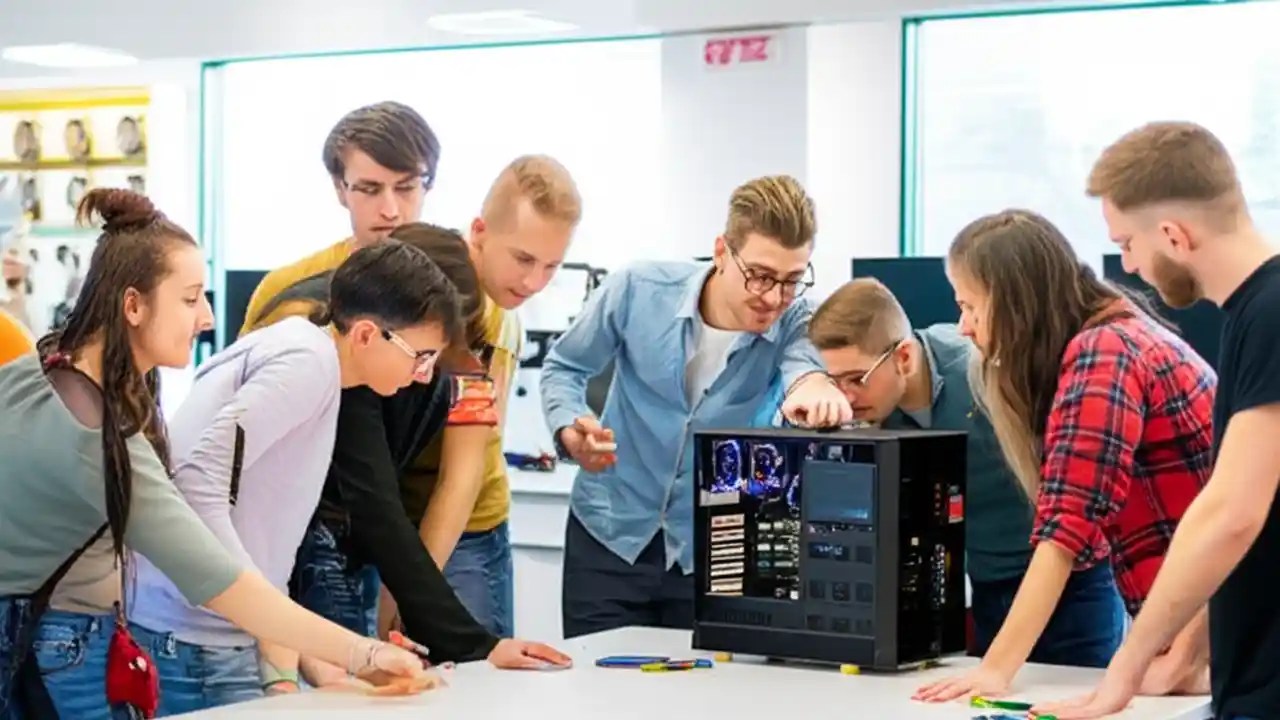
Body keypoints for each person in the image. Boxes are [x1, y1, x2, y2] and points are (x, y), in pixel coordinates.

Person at [0, 189, 431, 720]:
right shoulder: (103, 438)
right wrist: (362, 651)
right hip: (61, 643)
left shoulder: (47, 362)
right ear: (133, 305)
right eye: (189, 298)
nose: (205, 316)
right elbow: (224, 583)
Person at [126, 240, 461, 715]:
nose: (424, 376)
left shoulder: (303, 353)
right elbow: (197, 478)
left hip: (206, 632)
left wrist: (320, 662)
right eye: (420, 355)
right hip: (196, 639)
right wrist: (350, 649)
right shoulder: (308, 363)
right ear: (366, 334)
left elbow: (257, 540)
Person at [913, 208, 1215, 705]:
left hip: (1229, 618)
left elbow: (1067, 528)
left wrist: (995, 668)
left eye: (971, 306)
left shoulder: (1104, 353)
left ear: (1014, 304)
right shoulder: (1120, 330)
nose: (963, 327)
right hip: (1206, 619)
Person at [1035, 123, 1280, 720]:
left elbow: (1231, 514)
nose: (1129, 265)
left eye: (1128, 244)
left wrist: (1127, 666)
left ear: (1173, 234)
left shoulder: (1272, 315)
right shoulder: (1253, 316)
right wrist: (1186, 649)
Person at [246, 223, 570, 674]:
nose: (436, 372)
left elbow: (455, 479)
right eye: (429, 355)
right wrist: (475, 642)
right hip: (303, 540)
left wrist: (458, 634)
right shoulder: (322, 353)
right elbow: (369, 501)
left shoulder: (409, 347)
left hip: (343, 539)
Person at [541, 174, 854, 639]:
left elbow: (804, 367)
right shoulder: (637, 290)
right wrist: (570, 427)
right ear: (722, 251)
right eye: (761, 276)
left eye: (791, 280)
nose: (773, 297)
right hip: (609, 533)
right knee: (600, 695)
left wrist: (816, 386)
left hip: (714, 548)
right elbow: (565, 366)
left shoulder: (796, 320)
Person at [808, 278, 1126, 666]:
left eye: (856, 379)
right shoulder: (868, 413)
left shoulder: (982, 368)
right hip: (990, 586)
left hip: (1074, 582)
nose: (846, 396)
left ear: (903, 358)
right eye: (834, 381)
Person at [394, 153, 582, 637]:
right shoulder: (419, 274)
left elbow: (460, 479)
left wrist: (407, 593)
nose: (533, 283)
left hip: (463, 531)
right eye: (523, 259)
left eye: (551, 266)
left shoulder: (497, 324)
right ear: (478, 231)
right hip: (384, 517)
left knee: (472, 688)